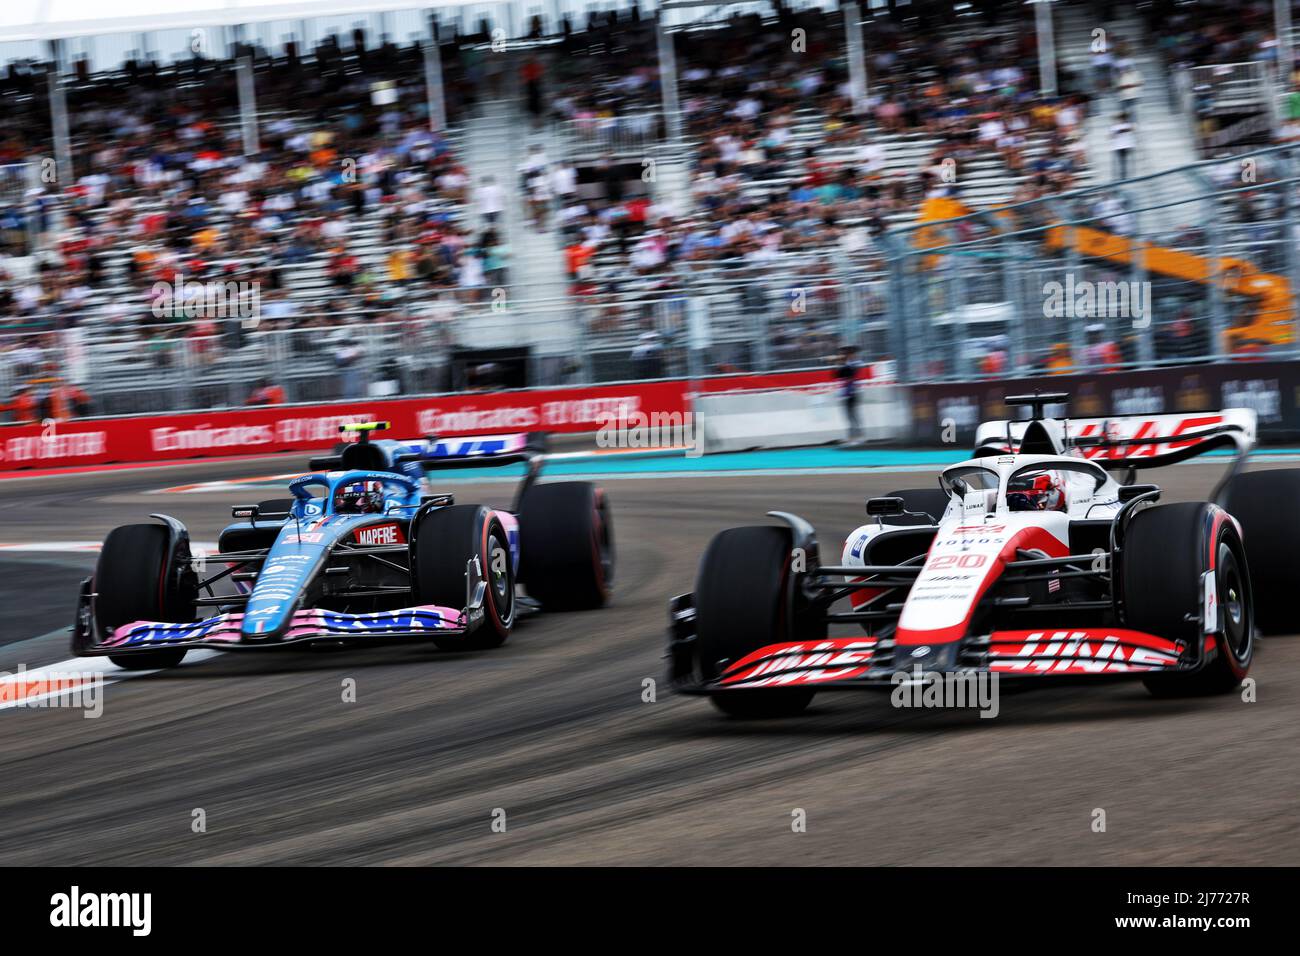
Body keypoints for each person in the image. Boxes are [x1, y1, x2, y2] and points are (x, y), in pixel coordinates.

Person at [834, 344, 863, 443]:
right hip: (845, 392)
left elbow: (852, 373)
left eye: (848, 353)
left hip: (853, 391)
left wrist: (843, 364)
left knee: (853, 415)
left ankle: (859, 436)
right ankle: (851, 436)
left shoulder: (856, 363)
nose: (846, 355)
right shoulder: (846, 364)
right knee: (848, 415)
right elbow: (837, 375)